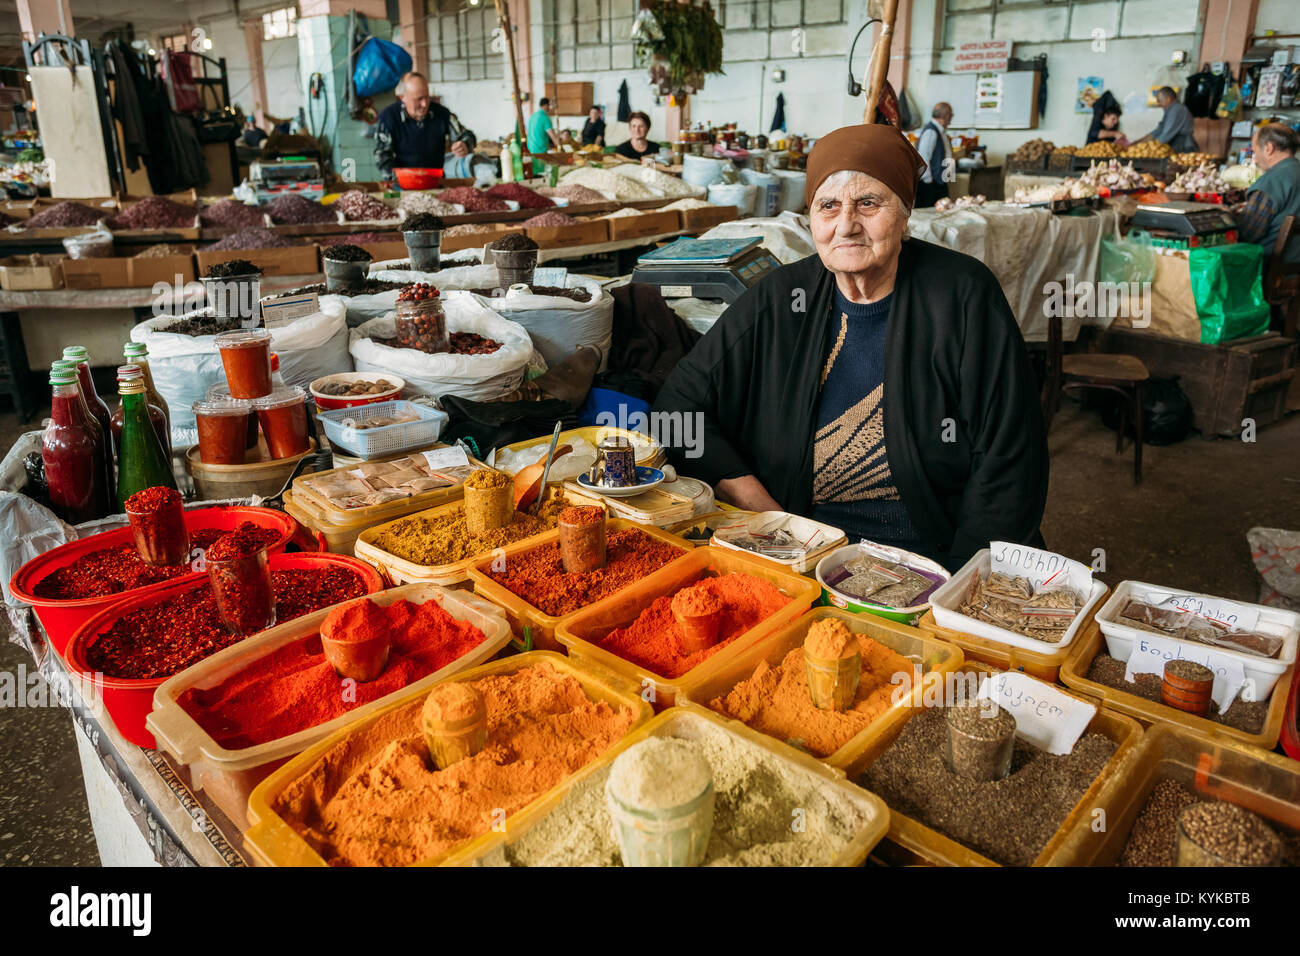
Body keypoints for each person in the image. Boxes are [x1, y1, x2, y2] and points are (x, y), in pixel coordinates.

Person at [653, 124, 1048, 571]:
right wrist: (755, 501)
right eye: (829, 206)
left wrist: (963, 582)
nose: (847, 225)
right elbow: (677, 406)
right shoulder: (782, 298)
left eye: (868, 203)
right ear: (811, 218)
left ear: (904, 213)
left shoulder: (962, 295)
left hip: (932, 557)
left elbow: (1010, 457)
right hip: (803, 553)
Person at [373, 72, 469, 177]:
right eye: (418, 99)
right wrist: (398, 178)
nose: (424, 104)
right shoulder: (388, 118)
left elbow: (466, 135)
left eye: (427, 97)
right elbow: (381, 156)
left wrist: (465, 145)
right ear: (402, 97)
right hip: (400, 183)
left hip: (435, 181)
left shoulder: (442, 114)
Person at [1235, 122, 1300, 264]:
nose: (1255, 158)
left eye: (1254, 149)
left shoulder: (1270, 182)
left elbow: (1247, 234)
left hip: (1269, 272)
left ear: (1269, 148)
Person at [914, 103, 954, 208]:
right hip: (931, 185)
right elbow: (923, 157)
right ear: (946, 116)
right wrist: (929, 182)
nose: (952, 116)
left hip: (940, 182)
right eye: (951, 114)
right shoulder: (931, 131)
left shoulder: (941, 131)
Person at [1135, 86, 1198, 153]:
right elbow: (1157, 132)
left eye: (1159, 101)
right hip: (1177, 147)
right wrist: (1137, 143)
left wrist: (1144, 149)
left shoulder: (1177, 110)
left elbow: (1165, 136)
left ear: (1168, 99)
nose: (1158, 104)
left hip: (1184, 149)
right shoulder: (1170, 111)